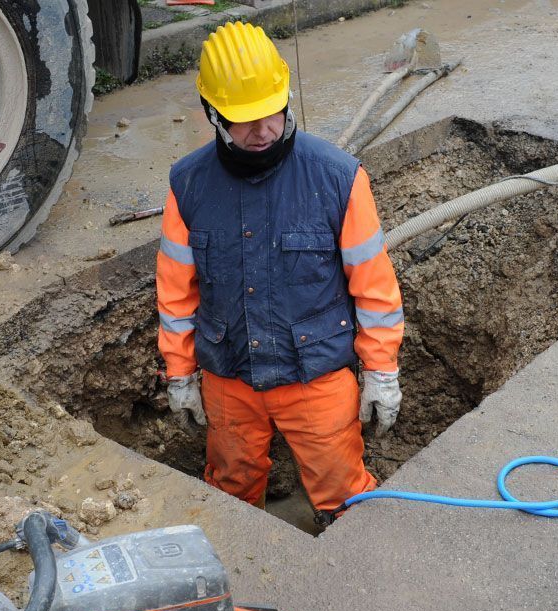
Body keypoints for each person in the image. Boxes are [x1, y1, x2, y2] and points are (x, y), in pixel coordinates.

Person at [156, 21, 404, 527]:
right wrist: (180, 376)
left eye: (272, 110)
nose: (263, 129)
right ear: (211, 113)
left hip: (316, 376)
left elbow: (374, 288)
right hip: (229, 376)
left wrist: (380, 372)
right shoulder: (187, 185)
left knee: (345, 498)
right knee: (229, 495)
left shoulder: (338, 178)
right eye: (243, 119)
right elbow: (177, 296)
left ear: (286, 95)